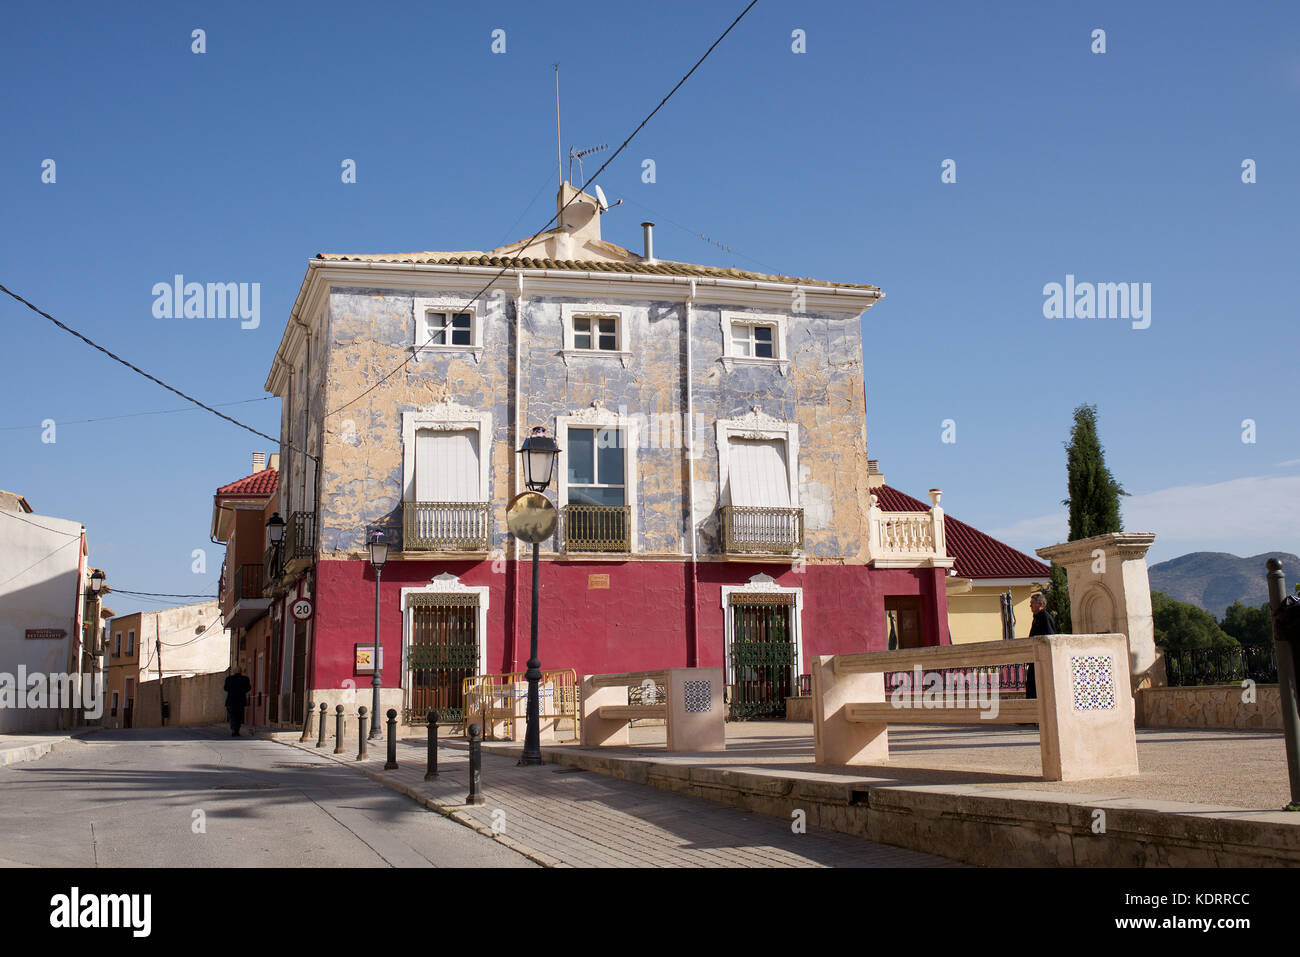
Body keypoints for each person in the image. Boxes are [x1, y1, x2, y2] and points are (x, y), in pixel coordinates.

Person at [1024, 591, 1057, 699]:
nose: (1030, 605)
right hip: (1035, 659)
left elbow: (1049, 637)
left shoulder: (1044, 617)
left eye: (1032, 603)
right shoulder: (1037, 618)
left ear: (1040, 604)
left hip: (1041, 660)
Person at [224, 667, 252, 736]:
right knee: (239, 715)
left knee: (232, 716)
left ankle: (233, 729)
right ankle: (237, 729)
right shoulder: (245, 679)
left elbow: (225, 688)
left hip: (231, 700)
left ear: (233, 672)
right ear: (241, 672)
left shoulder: (229, 679)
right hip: (241, 700)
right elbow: (248, 688)